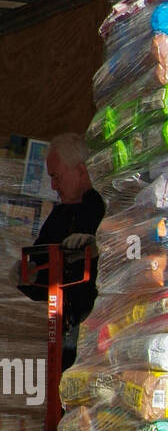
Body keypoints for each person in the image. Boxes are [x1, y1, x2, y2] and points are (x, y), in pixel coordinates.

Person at [17, 133, 105, 365]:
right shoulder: (59, 215)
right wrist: (27, 276)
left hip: (98, 332)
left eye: (57, 177)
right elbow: (42, 268)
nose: (54, 186)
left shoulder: (107, 207)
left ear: (81, 170)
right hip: (62, 328)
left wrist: (99, 249)